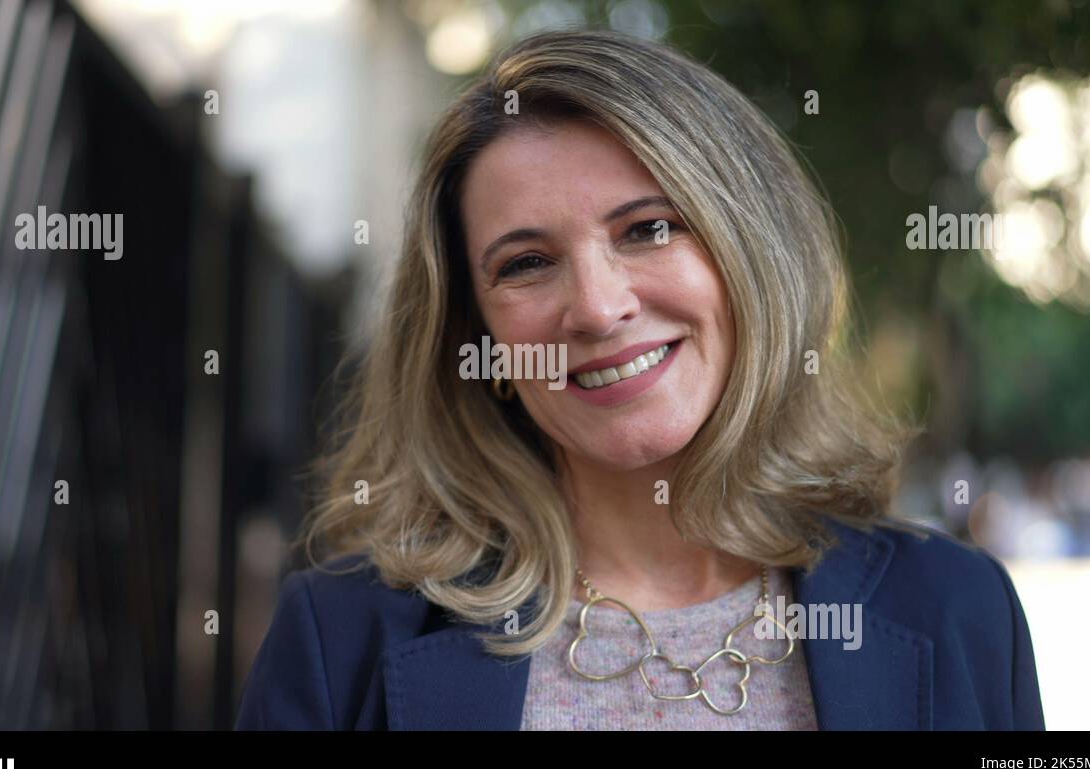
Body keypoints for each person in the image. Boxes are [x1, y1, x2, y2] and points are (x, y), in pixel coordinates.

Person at [235, 28, 1044, 731]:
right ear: (477, 336)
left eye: (648, 228)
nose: (595, 306)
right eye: (526, 263)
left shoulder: (958, 609)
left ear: (747, 256)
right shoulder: (336, 637)